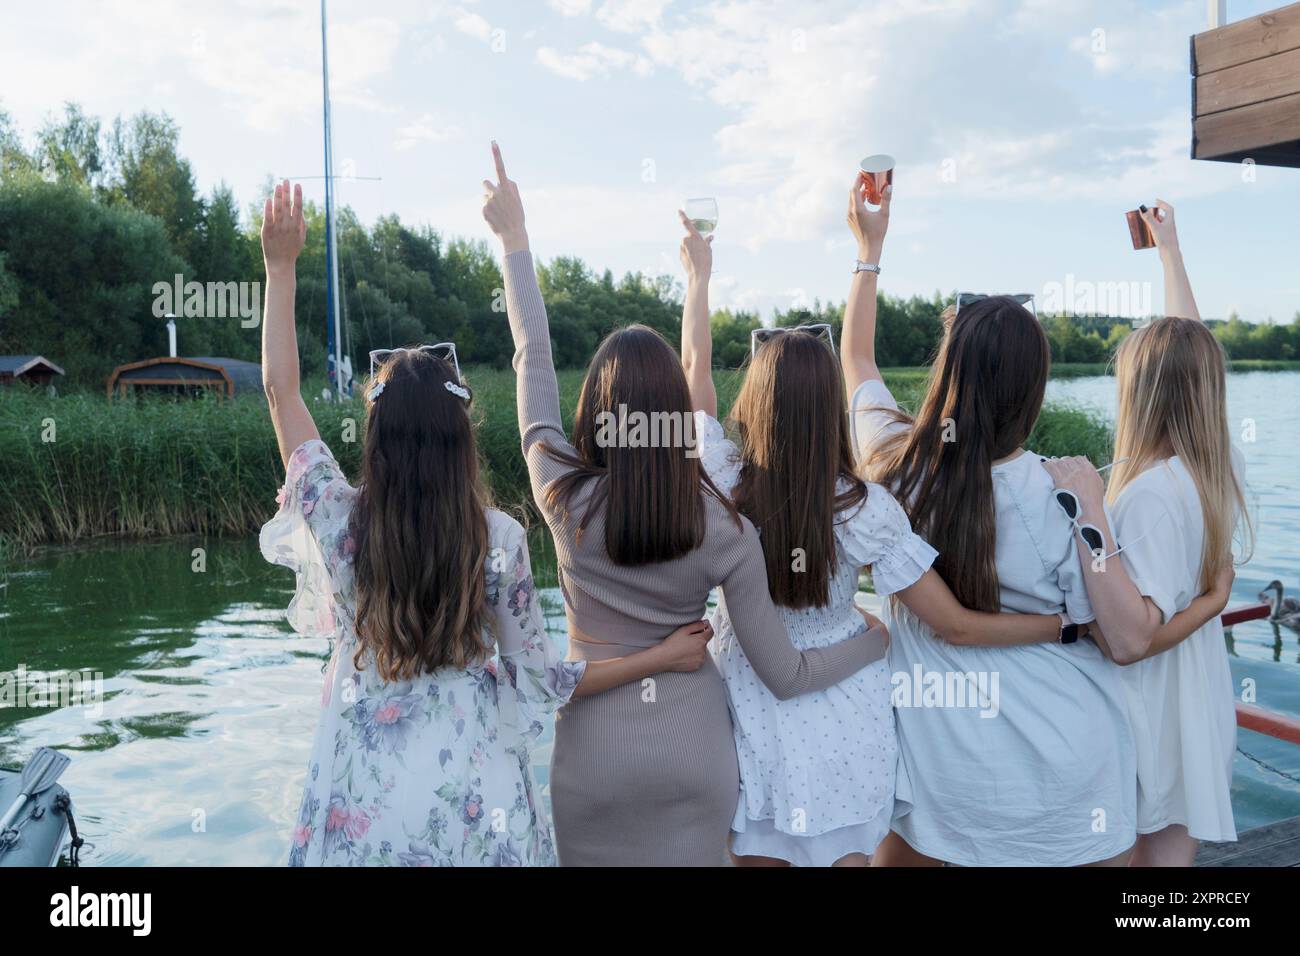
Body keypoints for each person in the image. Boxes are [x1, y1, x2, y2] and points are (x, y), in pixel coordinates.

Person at [257, 179, 713, 867]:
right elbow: (540, 680)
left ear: (377, 438)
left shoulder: (336, 519)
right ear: (460, 436)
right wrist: (661, 657)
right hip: (475, 800)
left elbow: (279, 390)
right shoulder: (496, 539)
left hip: (364, 799)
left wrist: (279, 266)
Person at [481, 143, 890, 866]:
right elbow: (787, 677)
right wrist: (872, 638)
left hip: (593, 755)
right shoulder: (722, 524)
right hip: (693, 750)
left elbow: (531, 359)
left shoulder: (559, 490)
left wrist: (516, 242)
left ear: (594, 410)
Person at [677, 211, 1076, 867]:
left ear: (752, 402)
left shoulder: (724, 487)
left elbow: (696, 383)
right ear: (831, 408)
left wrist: (699, 281)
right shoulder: (866, 511)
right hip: (847, 713)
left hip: (750, 709)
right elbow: (957, 625)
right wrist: (1061, 625)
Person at [843, 175, 1138, 866]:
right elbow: (1124, 639)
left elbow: (855, 358)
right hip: (1070, 779)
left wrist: (868, 249)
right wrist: (1094, 516)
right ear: (1034, 390)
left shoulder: (894, 469)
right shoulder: (1067, 493)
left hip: (948, 783)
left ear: (948, 370)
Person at [1043, 201, 1251, 867]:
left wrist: (1092, 517)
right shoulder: (1216, 467)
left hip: (1149, 711)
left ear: (1142, 395)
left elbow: (1133, 638)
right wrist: (1170, 252)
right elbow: (1190, 347)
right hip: (1195, 700)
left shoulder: (1152, 496)